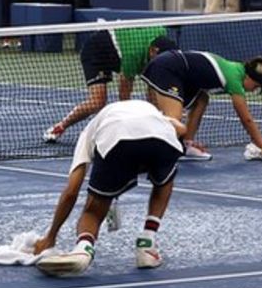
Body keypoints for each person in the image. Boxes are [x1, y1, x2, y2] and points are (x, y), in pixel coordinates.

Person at [33, 100, 185, 277]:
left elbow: (71, 192)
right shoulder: (153, 113)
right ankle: (147, 242)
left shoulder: (88, 133)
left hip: (116, 141)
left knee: (93, 211)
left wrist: (50, 237)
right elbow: (181, 128)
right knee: (165, 180)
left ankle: (83, 248)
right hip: (163, 137)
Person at [43, 30, 175, 143]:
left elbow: (152, 88)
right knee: (97, 102)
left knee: (154, 93)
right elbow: (124, 95)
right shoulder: (133, 56)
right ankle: (60, 127)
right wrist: (128, 121)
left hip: (119, 50)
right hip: (97, 51)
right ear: (153, 50)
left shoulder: (161, 35)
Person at [140, 50, 262, 161]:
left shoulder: (236, 69)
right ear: (249, 77)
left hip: (178, 72)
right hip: (168, 68)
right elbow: (246, 119)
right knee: (174, 120)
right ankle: (148, 151)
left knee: (201, 100)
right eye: (255, 86)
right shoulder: (235, 79)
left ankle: (187, 145)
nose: (252, 90)